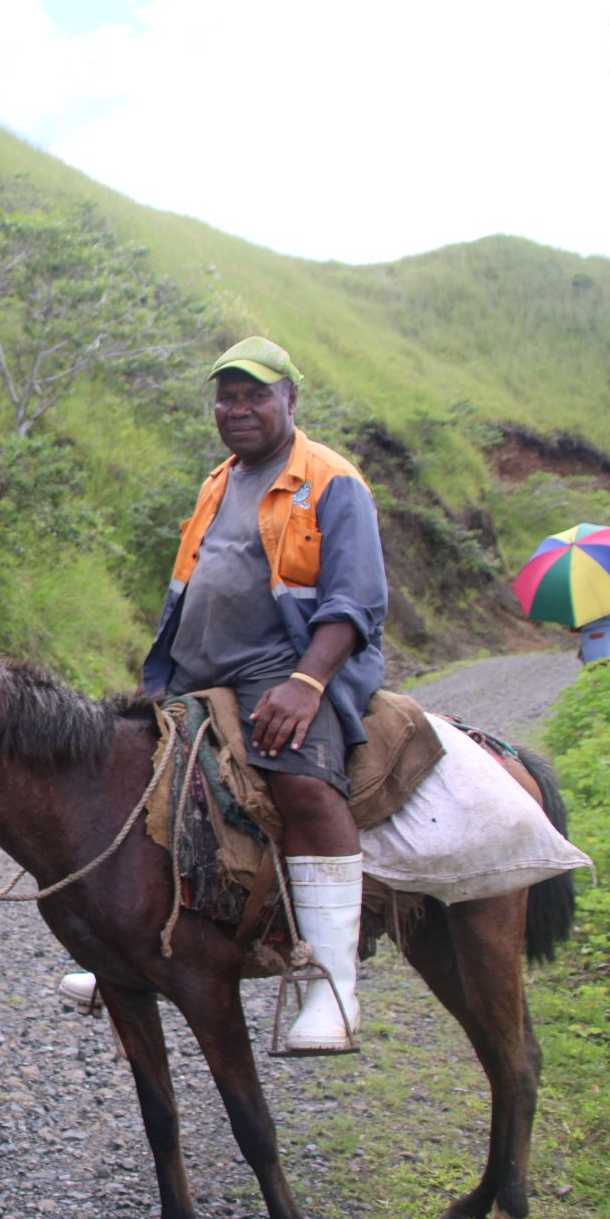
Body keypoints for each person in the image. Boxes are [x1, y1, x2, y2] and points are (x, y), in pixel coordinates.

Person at [59, 337, 388, 1053]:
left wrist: (307, 684)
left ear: (290, 398)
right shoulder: (220, 480)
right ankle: (128, 952)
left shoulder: (331, 480)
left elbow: (356, 600)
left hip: (287, 668)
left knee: (301, 784)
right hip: (197, 675)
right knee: (138, 789)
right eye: (226, 396)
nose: (238, 409)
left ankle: (333, 987)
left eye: (255, 395)